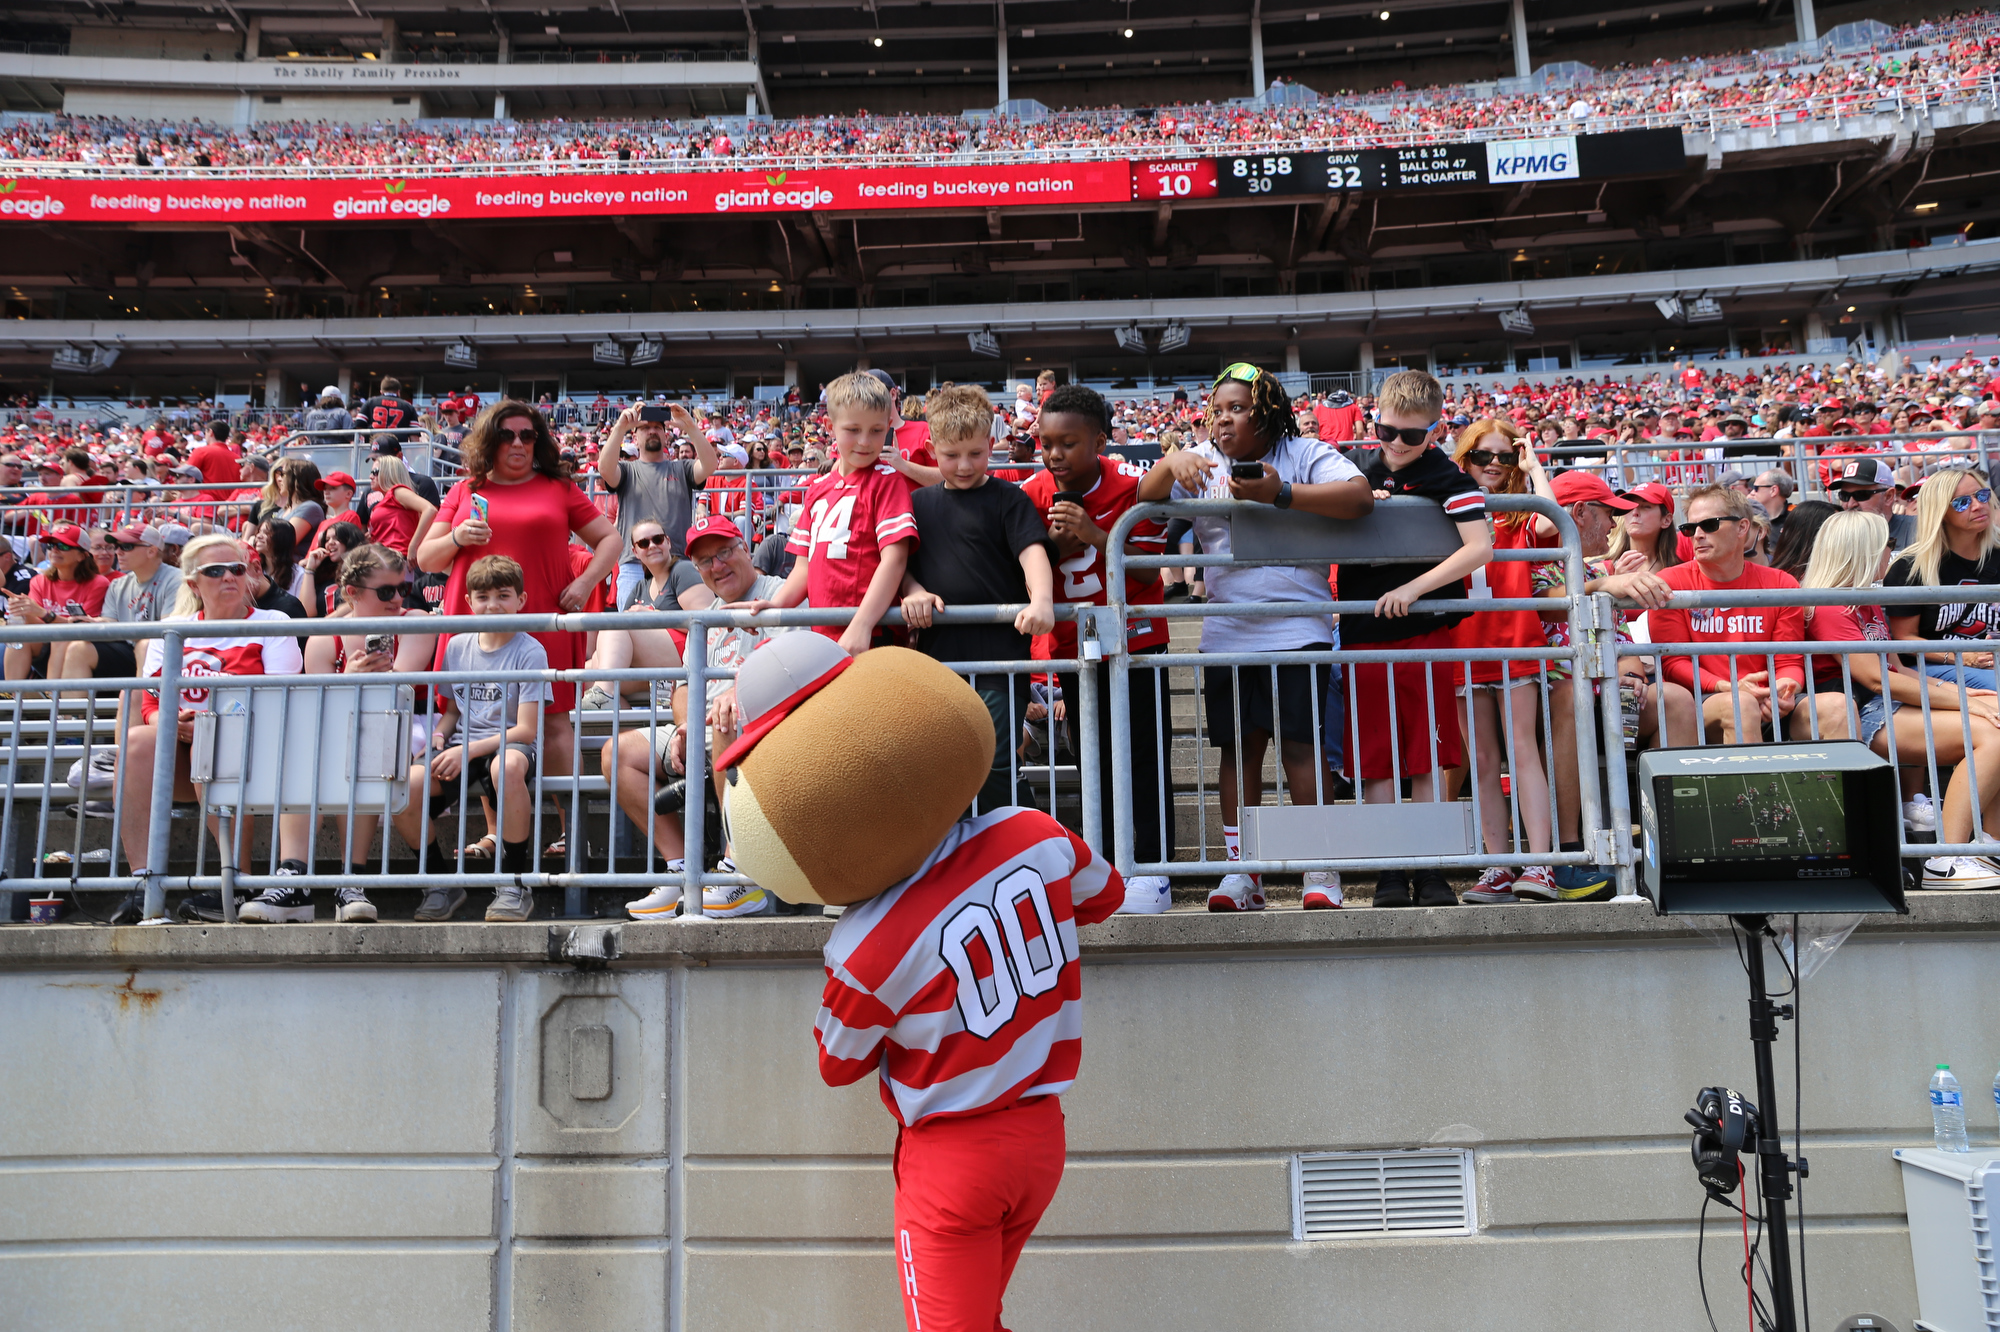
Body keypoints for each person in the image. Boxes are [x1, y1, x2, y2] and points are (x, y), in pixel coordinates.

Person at [1139, 364, 1372, 911]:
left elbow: (1360, 497)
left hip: (1299, 627)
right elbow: (1142, 502)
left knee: (1302, 749)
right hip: (1228, 631)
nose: (1223, 419)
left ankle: (1321, 868)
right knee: (1238, 751)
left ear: (1267, 411)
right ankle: (1243, 873)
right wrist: (1171, 460)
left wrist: (1282, 494)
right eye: (1217, 409)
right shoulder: (1200, 458)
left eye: (1237, 408)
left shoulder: (1305, 451)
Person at [416, 400, 623, 859]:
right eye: (507, 435)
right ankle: (495, 833)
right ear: (489, 440)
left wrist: (585, 582)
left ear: (539, 441)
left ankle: (574, 835)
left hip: (542, 618)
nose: (517, 444)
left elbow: (611, 540)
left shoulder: (558, 487)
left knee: (553, 723)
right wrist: (455, 537)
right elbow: (425, 560)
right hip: (474, 621)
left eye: (527, 436)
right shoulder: (466, 490)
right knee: (482, 717)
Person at [1018, 385, 1177, 912]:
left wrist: (1093, 533)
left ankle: (1152, 870)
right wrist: (1051, 545)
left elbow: (1149, 567)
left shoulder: (1129, 486)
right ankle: (1107, 865)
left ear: (1100, 441)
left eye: (1068, 443)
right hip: (1077, 653)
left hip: (1137, 646)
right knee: (1094, 762)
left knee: (1144, 757)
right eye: (1046, 443)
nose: (1055, 454)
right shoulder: (1032, 493)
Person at [1337, 370, 1492, 909]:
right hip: (1361, 633)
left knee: (1426, 756)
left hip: (1424, 632)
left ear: (1436, 430)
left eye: (1412, 435)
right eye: (1387, 433)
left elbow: (1480, 546)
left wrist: (1415, 588)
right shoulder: (1352, 471)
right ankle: (1388, 870)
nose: (1397, 445)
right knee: (1376, 759)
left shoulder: (1447, 476)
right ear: (1372, 424)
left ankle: (1429, 869)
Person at [110, 533, 314, 924]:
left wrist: (208, 724)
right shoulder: (173, 629)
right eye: (215, 571)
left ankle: (237, 881)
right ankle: (143, 883)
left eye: (237, 569)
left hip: (256, 749)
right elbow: (151, 702)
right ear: (193, 583)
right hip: (186, 747)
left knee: (215, 739)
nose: (229, 578)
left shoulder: (273, 622)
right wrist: (169, 722)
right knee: (136, 740)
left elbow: (281, 701)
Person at [607, 515, 802, 920]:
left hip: (765, 731)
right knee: (617, 753)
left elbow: (790, 665)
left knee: (724, 720)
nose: (718, 566)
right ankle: (682, 872)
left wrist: (736, 694)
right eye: (705, 561)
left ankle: (741, 878)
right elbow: (683, 687)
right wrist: (685, 725)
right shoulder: (707, 616)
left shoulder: (780, 594)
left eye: (725, 552)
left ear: (746, 549)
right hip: (710, 729)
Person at [1796, 511, 2000, 889]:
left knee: (1997, 715)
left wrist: (1971, 694)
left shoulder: (1867, 601)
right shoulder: (1828, 606)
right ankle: (1945, 860)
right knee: (1992, 736)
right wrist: (1967, 705)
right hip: (1859, 711)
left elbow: (1900, 671)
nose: (1891, 553)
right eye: (1885, 545)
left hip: (1885, 702)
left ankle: (1990, 844)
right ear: (1861, 551)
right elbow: (1875, 679)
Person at [897, 385, 1057, 820]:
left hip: (998, 660)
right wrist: (912, 590)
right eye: (951, 455)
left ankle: (1020, 852)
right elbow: (897, 562)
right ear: (931, 449)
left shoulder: (1009, 499)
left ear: (991, 445)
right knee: (944, 767)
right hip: (939, 662)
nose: (964, 465)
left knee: (997, 762)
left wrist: (1041, 598)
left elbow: (1033, 554)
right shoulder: (917, 503)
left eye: (974, 453)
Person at [392, 554, 551, 922]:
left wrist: (466, 749)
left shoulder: (531, 651)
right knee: (404, 784)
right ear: (469, 602)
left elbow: (527, 729)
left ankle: (512, 884)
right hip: (464, 745)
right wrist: (438, 736)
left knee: (507, 767)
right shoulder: (457, 647)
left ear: (521, 601)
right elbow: (452, 713)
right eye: (483, 597)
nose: (492, 604)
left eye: (503, 595)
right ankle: (438, 883)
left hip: (510, 745)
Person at [1447, 418, 1563, 904]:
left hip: (1514, 643)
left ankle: (1541, 865)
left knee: (1522, 751)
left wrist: (1536, 466)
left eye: (1505, 456)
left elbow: (1555, 522)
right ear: (1464, 457)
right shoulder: (1445, 509)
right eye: (1483, 455)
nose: (1494, 464)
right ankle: (1499, 866)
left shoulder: (1520, 512)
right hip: (1461, 646)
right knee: (1482, 759)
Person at [299, 543, 439, 912]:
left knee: (364, 748)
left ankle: (352, 879)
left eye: (402, 589)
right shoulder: (323, 638)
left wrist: (353, 685)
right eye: (386, 591)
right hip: (341, 731)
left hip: (407, 725)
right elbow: (322, 709)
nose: (397, 599)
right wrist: (349, 678)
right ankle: (292, 875)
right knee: (309, 756)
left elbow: (400, 688)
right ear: (352, 593)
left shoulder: (416, 622)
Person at [754, 373, 918, 656]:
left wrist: (862, 624)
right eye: (853, 430)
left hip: (874, 634)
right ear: (830, 426)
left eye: (876, 431)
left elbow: (895, 559)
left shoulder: (888, 481)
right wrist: (777, 603)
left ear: (889, 426)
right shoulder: (817, 489)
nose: (865, 441)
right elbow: (804, 568)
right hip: (823, 633)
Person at [1647, 484, 1805, 743]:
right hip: (1698, 701)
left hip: (1766, 698)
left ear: (1743, 527)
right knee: (1741, 704)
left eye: (1709, 525)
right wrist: (1731, 688)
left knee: (1835, 706)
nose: (1697, 535)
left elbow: (1789, 661)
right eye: (1690, 528)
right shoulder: (1670, 582)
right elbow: (1674, 664)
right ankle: (1755, 785)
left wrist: (1785, 690)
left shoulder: (1782, 583)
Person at [1884, 466, 2000, 695]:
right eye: (1962, 503)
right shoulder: (1910, 567)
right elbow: (1904, 637)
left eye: (1982, 495)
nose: (1978, 505)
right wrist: (1963, 656)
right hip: (1936, 665)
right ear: (1940, 513)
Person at [598, 402, 717, 606]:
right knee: (630, 631)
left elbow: (710, 465)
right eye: (645, 427)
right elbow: (605, 469)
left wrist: (690, 426)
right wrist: (620, 427)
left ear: (666, 435)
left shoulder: (682, 468)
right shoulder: (627, 471)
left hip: (677, 563)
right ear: (635, 437)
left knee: (684, 631)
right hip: (634, 564)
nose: (652, 431)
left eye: (657, 427)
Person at [47, 524, 185, 690]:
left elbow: (167, 630)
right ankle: (70, 715)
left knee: (146, 645)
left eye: (127, 547)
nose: (118, 552)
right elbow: (110, 621)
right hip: (129, 650)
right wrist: (93, 623)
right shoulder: (118, 584)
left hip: (167, 654)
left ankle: (144, 710)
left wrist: (116, 628)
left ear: (151, 551)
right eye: (117, 547)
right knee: (78, 647)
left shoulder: (177, 580)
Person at [579, 518, 693, 711]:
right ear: (635, 552)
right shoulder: (642, 586)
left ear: (668, 542)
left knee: (615, 625)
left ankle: (604, 694)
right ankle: (625, 732)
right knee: (585, 674)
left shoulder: (682, 570)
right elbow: (617, 642)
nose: (652, 546)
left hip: (688, 653)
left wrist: (653, 615)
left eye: (657, 539)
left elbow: (706, 622)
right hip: (653, 662)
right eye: (643, 543)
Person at [3, 522, 111, 685]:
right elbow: (37, 625)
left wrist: (43, 614)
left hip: (82, 650)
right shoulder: (39, 581)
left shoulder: (98, 583)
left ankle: (52, 698)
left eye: (64, 546)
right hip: (47, 645)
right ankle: (14, 694)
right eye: (52, 545)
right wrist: (24, 611)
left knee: (61, 636)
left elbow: (81, 628)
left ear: (82, 555)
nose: (55, 550)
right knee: (18, 628)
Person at [1831, 458, 1915, 550]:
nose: (1850, 504)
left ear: (1888, 496)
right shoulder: (1834, 535)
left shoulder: (1916, 529)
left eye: (1861, 495)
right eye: (1844, 496)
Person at [364, 455, 437, 557]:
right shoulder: (387, 498)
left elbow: (430, 510)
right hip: (384, 558)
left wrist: (413, 546)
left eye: (375, 472)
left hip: (398, 559)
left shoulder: (397, 491)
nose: (370, 476)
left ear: (388, 472)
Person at [301, 520, 368, 616]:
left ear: (350, 541)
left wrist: (323, 626)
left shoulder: (363, 572)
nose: (330, 543)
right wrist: (310, 569)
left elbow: (355, 603)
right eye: (327, 540)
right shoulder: (322, 574)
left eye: (337, 538)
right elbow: (307, 612)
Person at [266, 456, 326, 550]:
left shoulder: (311, 508)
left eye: (283, 474)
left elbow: (284, 543)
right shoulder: (284, 510)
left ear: (297, 480)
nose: (279, 479)